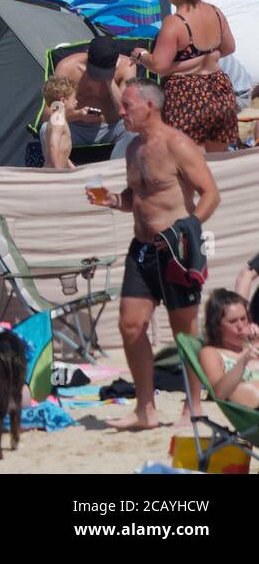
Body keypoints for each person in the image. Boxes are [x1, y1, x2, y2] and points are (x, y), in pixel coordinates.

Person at [87, 80, 220, 429]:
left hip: (177, 250)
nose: (122, 111)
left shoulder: (178, 144)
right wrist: (112, 200)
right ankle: (145, 409)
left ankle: (193, 408)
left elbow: (210, 195)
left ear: (150, 106)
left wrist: (186, 228)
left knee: (185, 333)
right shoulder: (132, 149)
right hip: (142, 248)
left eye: (128, 105)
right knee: (130, 326)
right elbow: (136, 197)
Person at [129, 0, 238, 151]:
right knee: (218, 160)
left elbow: (159, 66)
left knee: (188, 161)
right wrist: (204, 59)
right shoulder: (215, 12)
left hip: (186, 95)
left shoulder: (175, 22)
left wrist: (141, 55)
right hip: (219, 89)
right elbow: (229, 48)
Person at [198, 288, 259, 408]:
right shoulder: (211, 353)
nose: (240, 326)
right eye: (232, 321)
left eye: (243, 318)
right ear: (216, 325)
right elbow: (218, 393)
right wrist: (243, 361)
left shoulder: (253, 347)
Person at [41, 74, 77, 169]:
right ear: (63, 101)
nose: (76, 101)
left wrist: (73, 169)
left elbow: (62, 153)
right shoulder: (58, 120)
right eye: (74, 98)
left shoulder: (57, 118)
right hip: (52, 174)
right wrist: (57, 172)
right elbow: (53, 146)